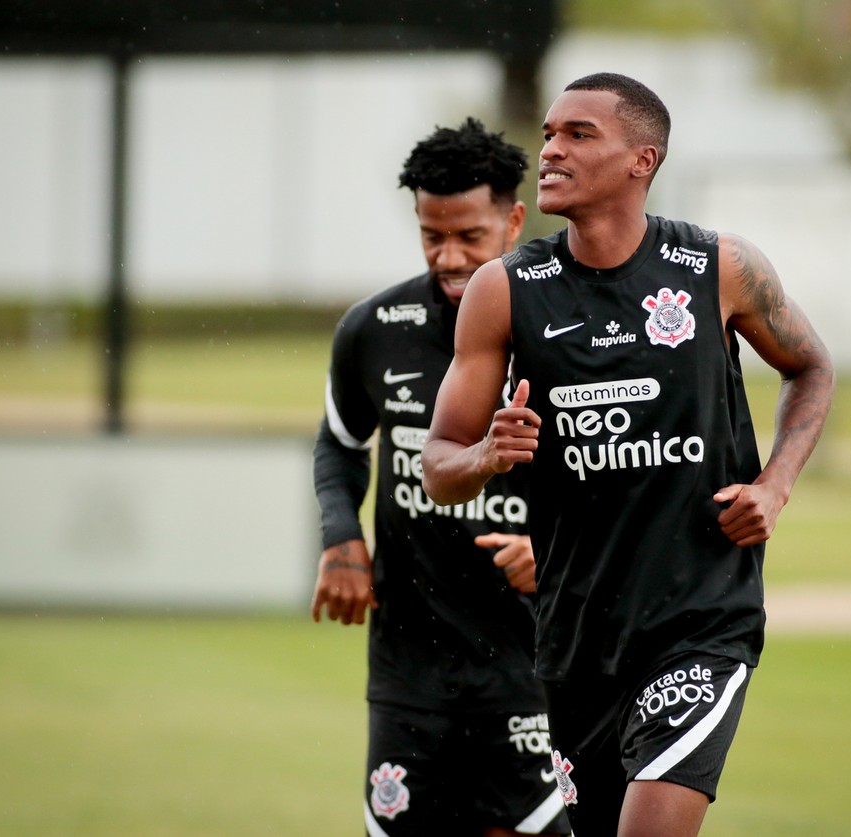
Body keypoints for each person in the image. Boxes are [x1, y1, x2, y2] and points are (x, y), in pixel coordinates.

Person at [422, 74, 836, 836]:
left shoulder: (720, 268)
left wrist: (775, 484)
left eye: (579, 134)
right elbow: (438, 466)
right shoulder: (504, 289)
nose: (550, 150)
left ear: (643, 159)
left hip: (700, 619)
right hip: (576, 637)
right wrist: (487, 454)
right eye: (548, 133)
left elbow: (811, 367)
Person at [310, 117, 569, 837]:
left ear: (514, 220)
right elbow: (338, 446)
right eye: (432, 234)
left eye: (469, 236)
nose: (448, 256)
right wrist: (340, 540)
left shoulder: (567, 332)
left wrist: (558, 554)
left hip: (531, 664)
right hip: (408, 666)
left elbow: (621, 477)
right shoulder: (374, 327)